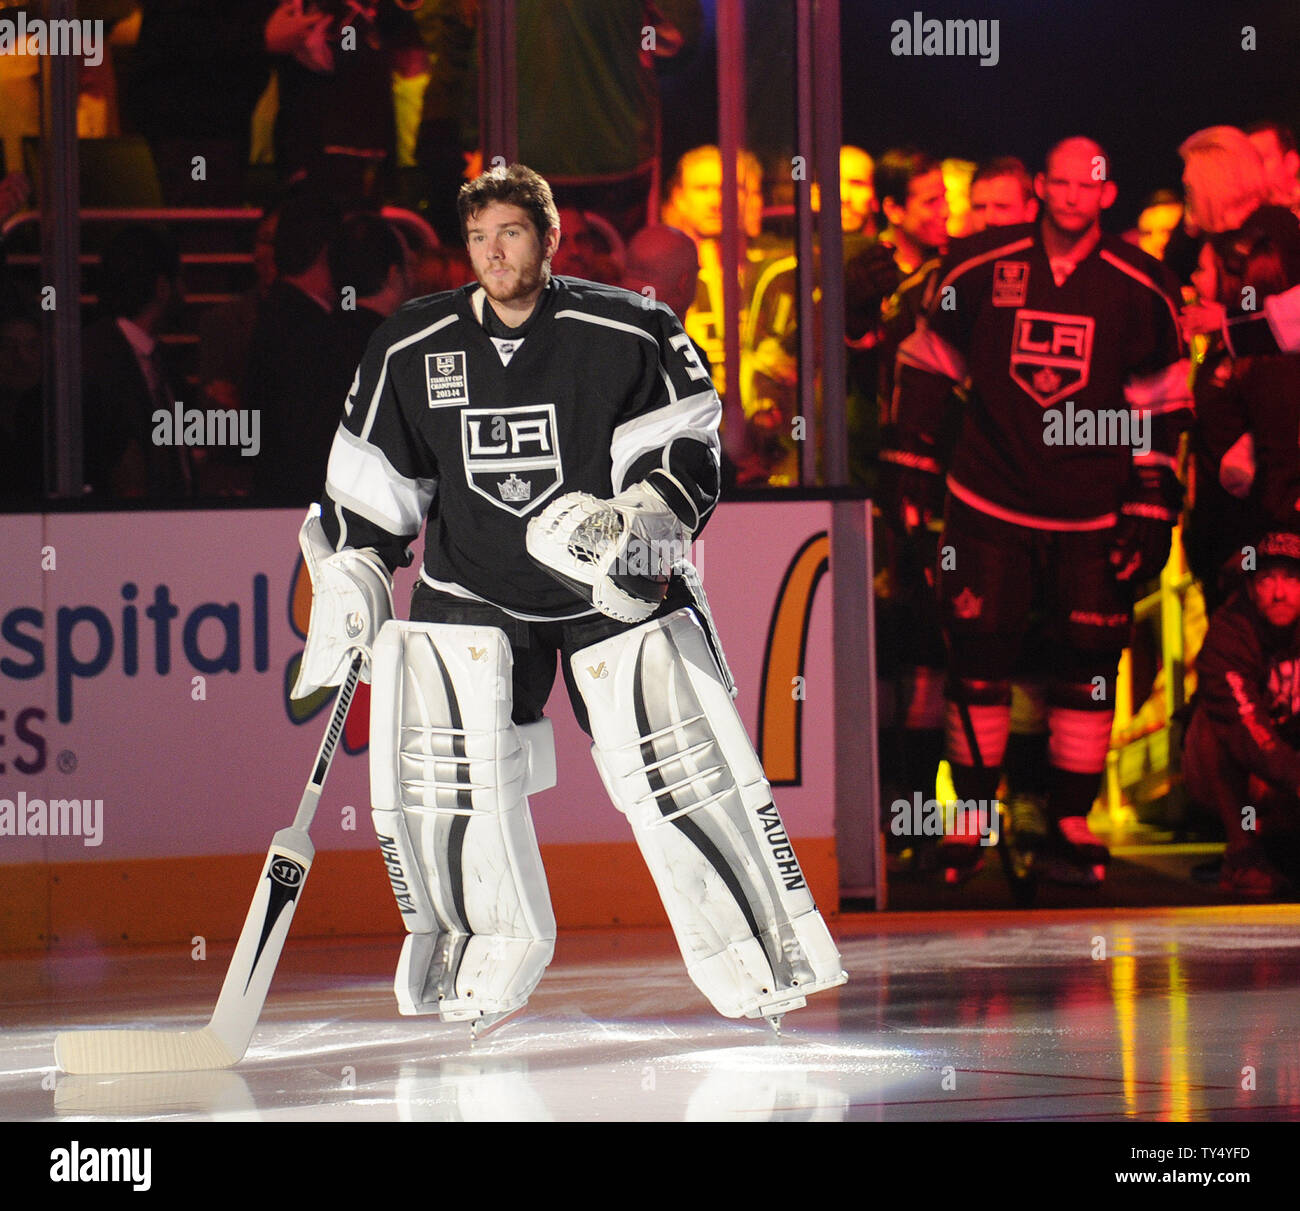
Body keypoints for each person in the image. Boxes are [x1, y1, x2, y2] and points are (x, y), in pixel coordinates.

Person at [292, 163, 844, 1032]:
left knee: (682, 768)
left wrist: (639, 527)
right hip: (472, 588)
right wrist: (358, 566)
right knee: (449, 782)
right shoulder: (409, 341)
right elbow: (373, 483)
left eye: (510, 233)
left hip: (603, 595)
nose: (492, 252)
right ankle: (477, 958)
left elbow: (691, 453)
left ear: (549, 239)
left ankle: (758, 952)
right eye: (477, 237)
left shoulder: (626, 327)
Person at [887, 137, 1192, 885]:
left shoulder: (1141, 284)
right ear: (1041, 189)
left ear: (1106, 193)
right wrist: (911, 468)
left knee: (1088, 667)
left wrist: (1154, 497)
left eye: (1085, 185)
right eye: (1058, 182)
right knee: (978, 658)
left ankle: (1070, 817)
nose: (1071, 197)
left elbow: (1164, 395)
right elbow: (927, 362)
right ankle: (972, 817)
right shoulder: (977, 266)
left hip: (1092, 507)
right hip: (988, 500)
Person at [1184, 528, 1300, 896]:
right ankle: (1242, 854)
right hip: (1251, 771)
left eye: (1292, 579)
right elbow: (1241, 723)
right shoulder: (1230, 631)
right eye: (1267, 579)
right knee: (1212, 726)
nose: (1280, 592)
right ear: (1251, 588)